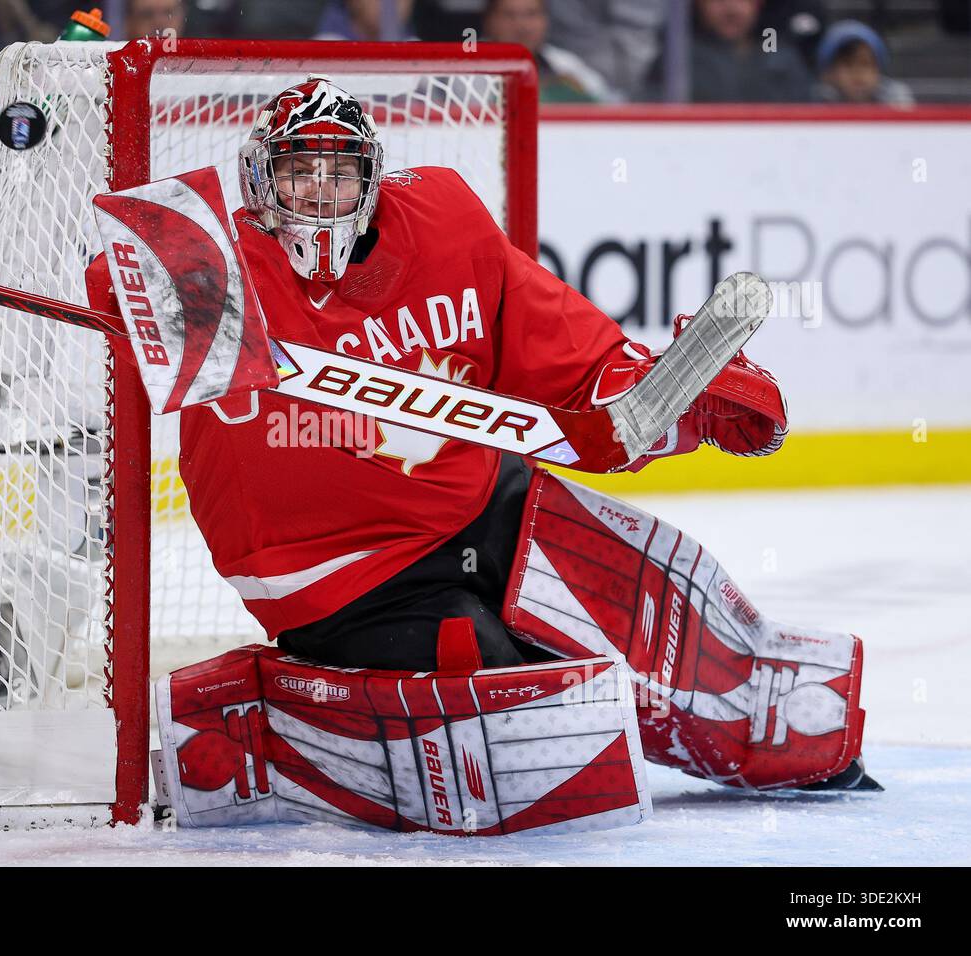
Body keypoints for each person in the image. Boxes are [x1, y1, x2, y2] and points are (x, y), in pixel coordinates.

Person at [87, 76, 874, 792]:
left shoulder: (443, 221)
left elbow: (568, 359)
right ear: (262, 182)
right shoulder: (211, 266)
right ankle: (263, 725)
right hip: (334, 577)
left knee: (646, 595)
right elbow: (105, 279)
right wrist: (152, 285)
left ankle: (802, 744)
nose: (320, 193)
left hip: (480, 504)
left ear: (372, 176)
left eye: (339, 172)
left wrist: (673, 402)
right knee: (517, 716)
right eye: (299, 172)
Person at [483, 0, 617, 103]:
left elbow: (611, 102)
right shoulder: (467, 67)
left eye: (531, 14)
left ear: (546, 20)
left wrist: (578, 93)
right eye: (509, 15)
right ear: (489, 21)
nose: (522, 26)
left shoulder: (566, 65)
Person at [684, 0, 813, 103]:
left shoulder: (782, 59)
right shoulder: (679, 61)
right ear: (698, 3)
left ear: (759, 3)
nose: (731, 9)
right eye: (718, 0)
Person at [813, 19, 915, 106]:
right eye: (848, 65)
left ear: (878, 69)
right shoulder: (816, 103)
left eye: (865, 64)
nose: (857, 72)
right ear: (829, 73)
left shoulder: (895, 102)